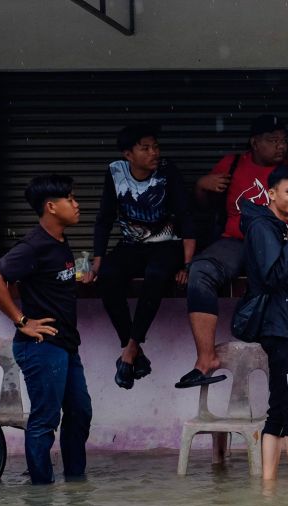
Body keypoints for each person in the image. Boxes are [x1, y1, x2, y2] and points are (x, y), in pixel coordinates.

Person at [180, 114, 288, 390]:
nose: (280, 146)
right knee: (201, 271)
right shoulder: (233, 163)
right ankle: (206, 361)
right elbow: (202, 206)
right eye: (273, 141)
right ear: (254, 143)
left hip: (287, 238)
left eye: (283, 140)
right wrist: (202, 185)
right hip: (237, 241)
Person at [0, 174, 92, 485]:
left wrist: (83, 274)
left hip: (66, 344)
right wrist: (21, 321)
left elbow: (53, 280)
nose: (77, 204)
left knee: (80, 413)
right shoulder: (34, 245)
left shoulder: (59, 241)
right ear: (51, 207)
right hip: (42, 347)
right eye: (70, 199)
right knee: (45, 420)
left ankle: (75, 485)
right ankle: (41, 492)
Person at [91, 123, 195, 389]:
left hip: (166, 243)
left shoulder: (167, 171)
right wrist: (98, 258)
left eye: (155, 146)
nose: (154, 153)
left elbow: (186, 216)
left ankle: (129, 351)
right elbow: (104, 217)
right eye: (145, 148)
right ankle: (133, 348)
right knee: (109, 276)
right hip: (131, 244)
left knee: (156, 276)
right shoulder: (115, 172)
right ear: (128, 155)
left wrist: (187, 263)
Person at [240, 165, 288, 481]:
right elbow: (272, 278)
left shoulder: (274, 227)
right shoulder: (264, 227)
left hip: (284, 329)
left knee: (278, 413)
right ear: (270, 193)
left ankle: (268, 490)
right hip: (281, 330)